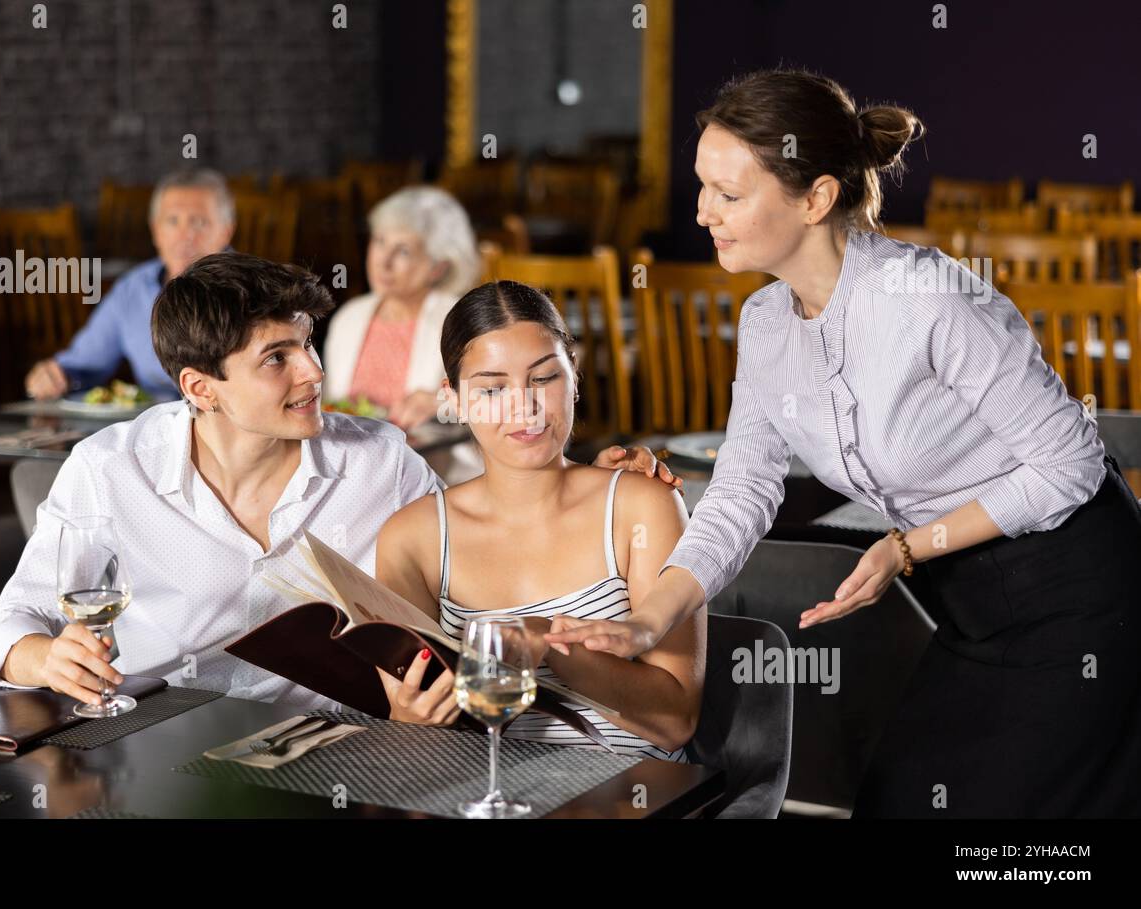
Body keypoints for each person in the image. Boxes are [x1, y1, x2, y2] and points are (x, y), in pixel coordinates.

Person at [547, 68, 1141, 817]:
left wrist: (908, 546)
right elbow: (744, 489)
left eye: (729, 195)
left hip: (1085, 592)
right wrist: (647, 618)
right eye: (702, 187)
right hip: (970, 606)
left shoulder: (928, 299)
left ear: (817, 197)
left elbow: (1074, 463)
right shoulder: (764, 325)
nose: (702, 213)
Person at [0, 252, 680, 709]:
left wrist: (592, 485)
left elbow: (483, 551)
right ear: (201, 386)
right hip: (155, 732)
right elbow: (9, 624)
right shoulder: (110, 469)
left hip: (329, 755)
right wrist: (46, 656)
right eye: (277, 358)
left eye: (308, 343)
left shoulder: (378, 460)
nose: (314, 372)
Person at [372, 280, 705, 760]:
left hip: (630, 797)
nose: (523, 406)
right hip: (481, 793)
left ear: (576, 376)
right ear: (454, 400)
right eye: (491, 387)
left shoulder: (642, 505)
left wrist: (548, 642)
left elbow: (675, 722)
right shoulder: (411, 538)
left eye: (544, 378)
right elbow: (418, 731)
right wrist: (410, 722)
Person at [23, 167, 236, 401]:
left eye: (198, 222)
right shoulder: (133, 289)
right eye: (172, 221)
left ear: (226, 231)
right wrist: (55, 376)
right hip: (157, 428)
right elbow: (83, 365)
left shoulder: (253, 290)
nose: (184, 235)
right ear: (155, 231)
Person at [322, 186, 481, 432]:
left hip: (433, 463)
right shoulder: (349, 316)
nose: (383, 261)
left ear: (438, 266)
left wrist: (442, 405)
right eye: (379, 241)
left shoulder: (461, 322)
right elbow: (331, 407)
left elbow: (501, 405)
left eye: (403, 251)